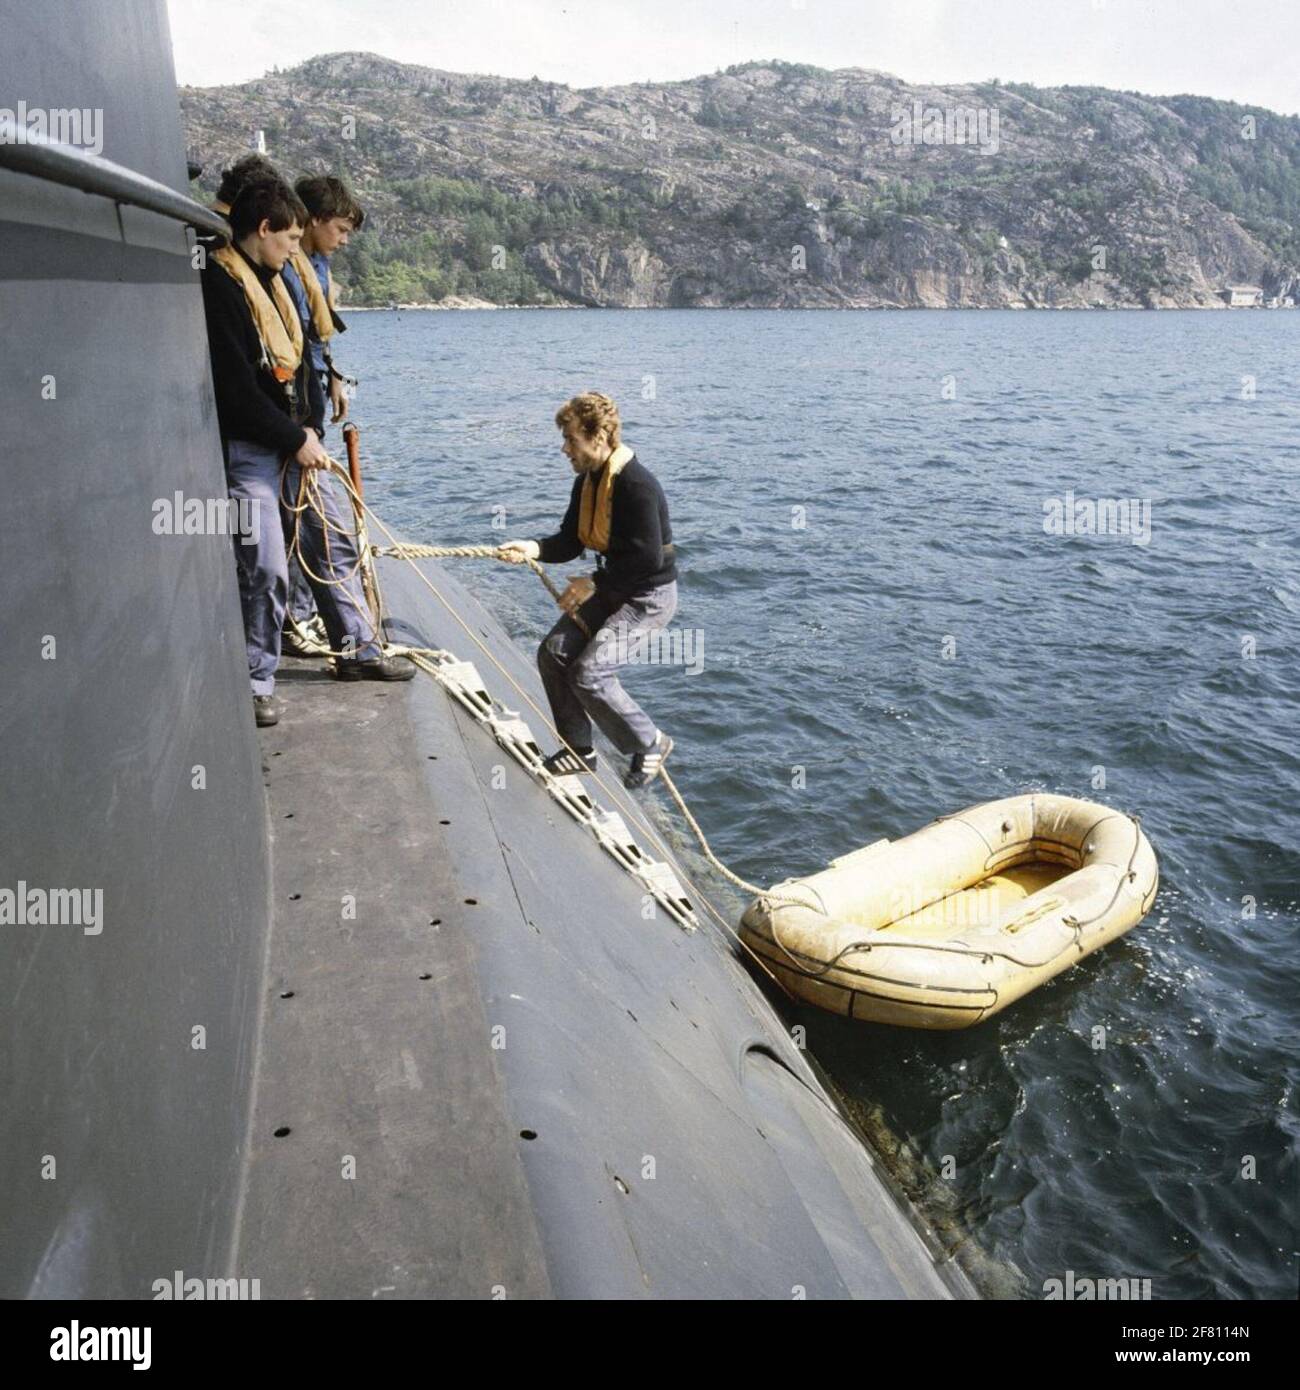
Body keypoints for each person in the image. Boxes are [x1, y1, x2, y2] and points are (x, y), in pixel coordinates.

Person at [200, 176, 412, 729]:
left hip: (296, 442)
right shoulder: (221, 287)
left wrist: (307, 430)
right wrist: (297, 439)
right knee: (266, 564)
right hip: (256, 448)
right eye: (289, 238)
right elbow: (237, 392)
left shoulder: (272, 280)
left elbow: (300, 365)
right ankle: (257, 679)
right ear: (263, 229)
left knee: (334, 539)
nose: (296, 250)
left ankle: (357, 651)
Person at [500, 392, 678, 789]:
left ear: (599, 437)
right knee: (553, 654)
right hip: (614, 587)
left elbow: (648, 561)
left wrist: (592, 583)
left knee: (590, 673)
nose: (564, 449)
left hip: (647, 598)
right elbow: (569, 541)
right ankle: (580, 751)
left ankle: (650, 741)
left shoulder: (637, 486)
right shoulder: (588, 481)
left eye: (570, 439)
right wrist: (532, 548)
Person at [278, 176, 364, 655]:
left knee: (302, 517)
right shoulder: (287, 267)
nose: (344, 239)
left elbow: (316, 335)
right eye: (340, 228)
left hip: (311, 396)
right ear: (312, 221)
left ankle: (303, 611)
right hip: (294, 413)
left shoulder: (317, 266)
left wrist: (333, 376)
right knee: (305, 521)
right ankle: (301, 619)